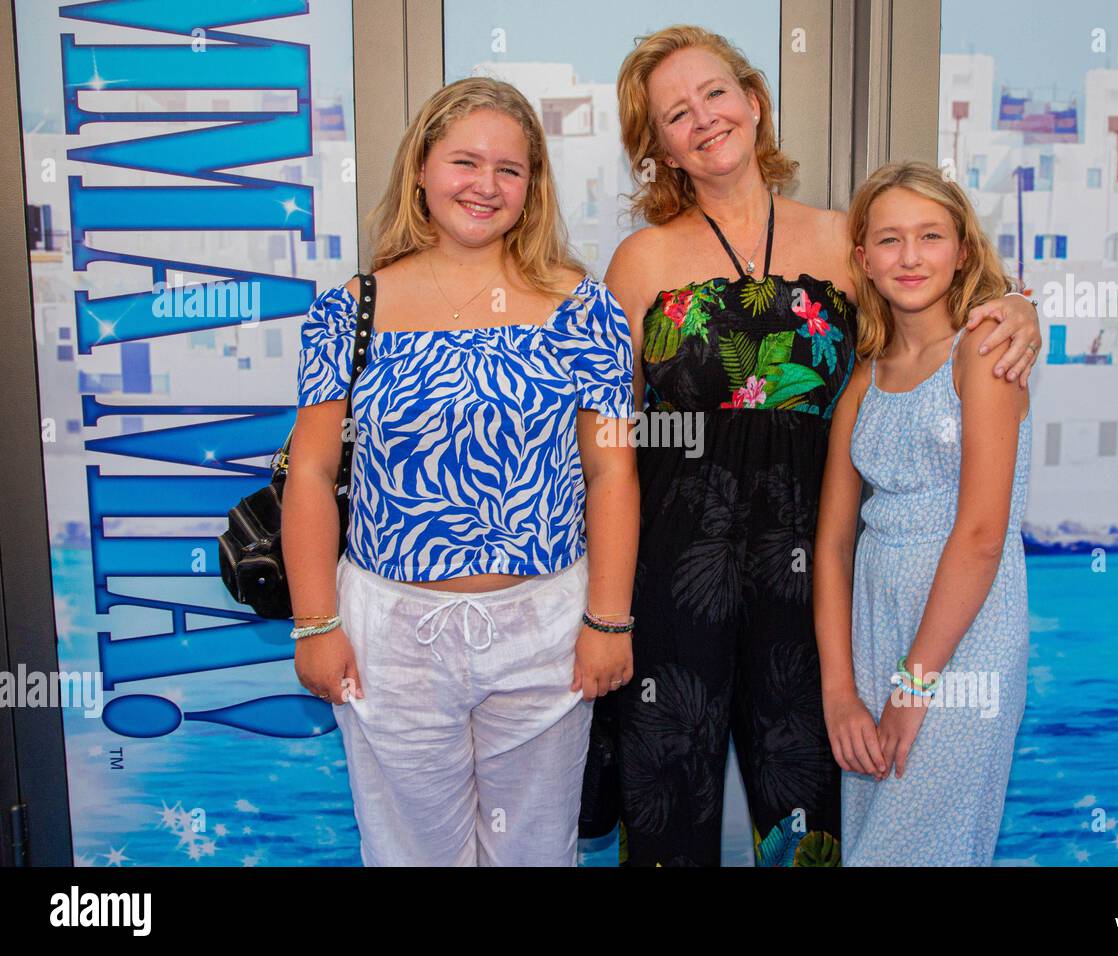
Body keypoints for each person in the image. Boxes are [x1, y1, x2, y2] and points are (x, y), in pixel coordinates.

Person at [602, 25, 1042, 867]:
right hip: (671, 586)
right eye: (675, 114)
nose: (704, 119)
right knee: (665, 827)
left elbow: (945, 294)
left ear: (755, 102)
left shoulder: (848, 243)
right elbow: (612, 443)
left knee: (813, 834)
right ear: (657, 147)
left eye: (716, 95)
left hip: (815, 599)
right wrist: (609, 608)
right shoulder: (639, 261)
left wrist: (1022, 308)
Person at [282, 77, 638, 866]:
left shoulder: (585, 309)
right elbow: (309, 474)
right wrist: (315, 624)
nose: (486, 186)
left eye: (509, 169)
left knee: (537, 852)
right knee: (410, 853)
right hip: (389, 637)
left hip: (544, 627)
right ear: (420, 168)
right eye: (465, 162)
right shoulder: (351, 310)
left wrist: (608, 621)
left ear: (532, 187)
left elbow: (612, 473)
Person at [814, 161, 1032, 866]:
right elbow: (833, 545)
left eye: (931, 236)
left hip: (963, 642)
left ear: (963, 250)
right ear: (863, 259)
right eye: (889, 239)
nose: (910, 257)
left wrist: (913, 687)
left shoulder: (984, 350)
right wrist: (841, 692)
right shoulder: (862, 379)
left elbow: (979, 537)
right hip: (876, 629)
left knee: (918, 848)